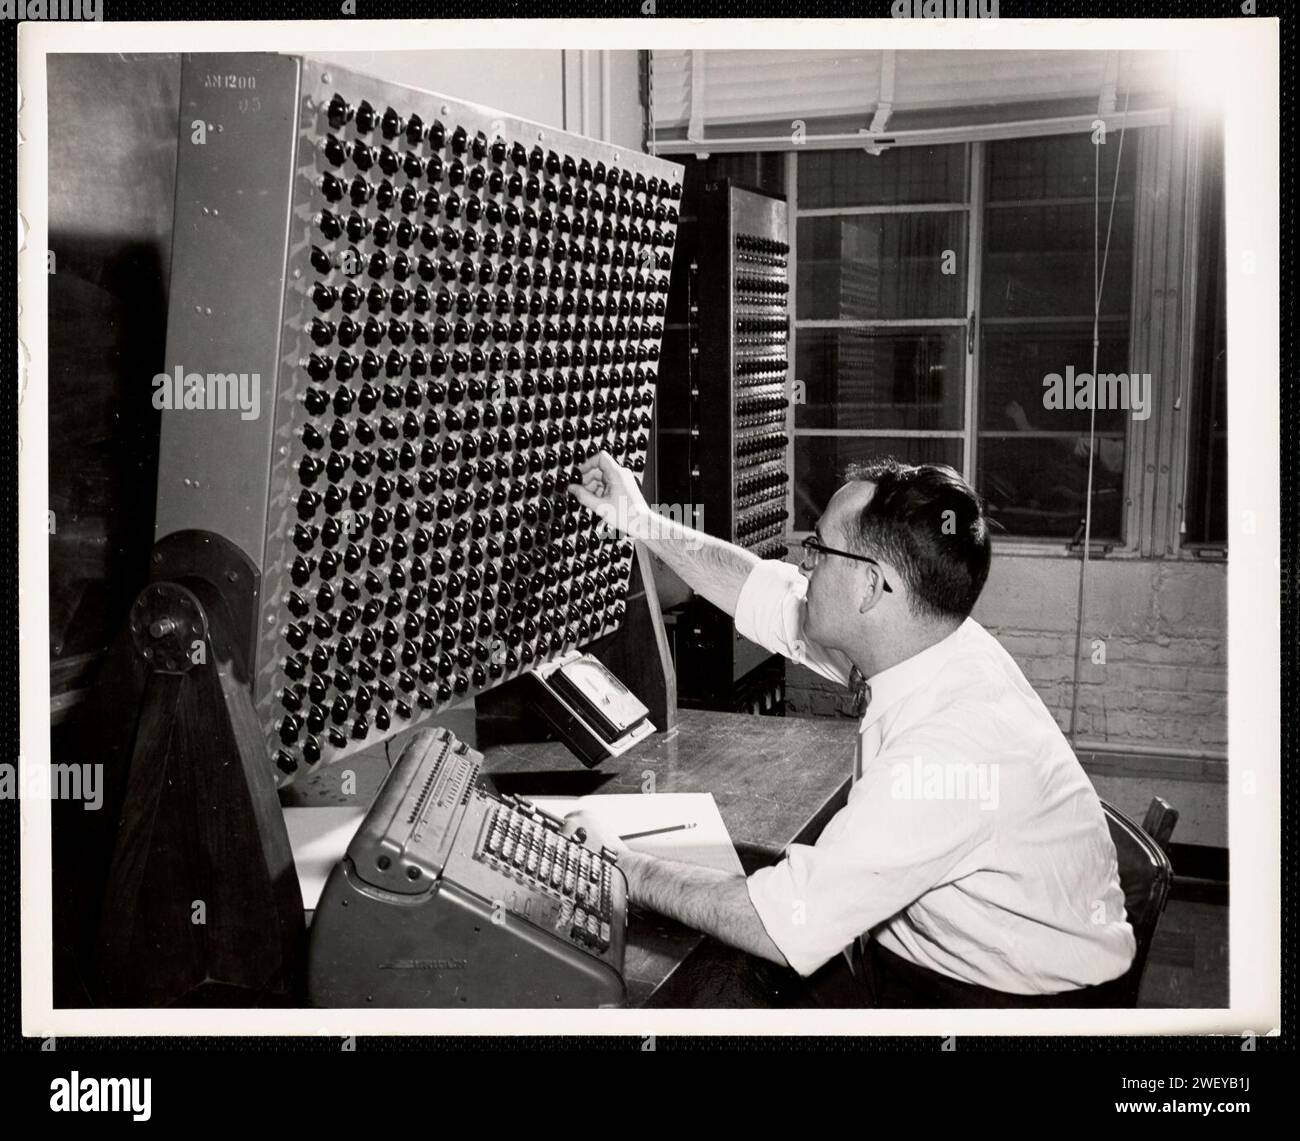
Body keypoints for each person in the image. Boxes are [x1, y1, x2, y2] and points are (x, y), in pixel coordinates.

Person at [563, 451, 1136, 1007]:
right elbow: (759, 589)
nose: (803, 564)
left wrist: (620, 865)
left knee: (705, 986)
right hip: (942, 955)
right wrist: (638, 519)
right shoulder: (925, 634)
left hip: (1008, 1004)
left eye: (817, 551)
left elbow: (785, 923)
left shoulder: (949, 750)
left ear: (869, 586)